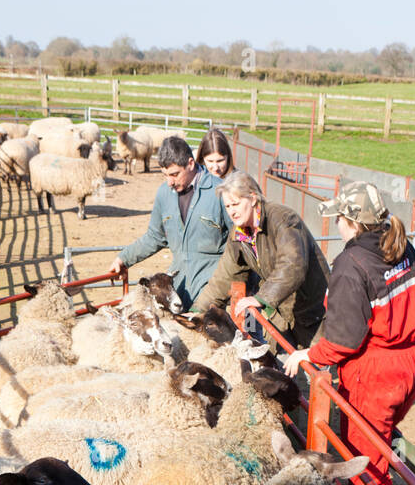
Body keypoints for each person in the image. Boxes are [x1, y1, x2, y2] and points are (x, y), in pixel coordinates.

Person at [283, 181, 415, 485]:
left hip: (374, 371)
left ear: (352, 222)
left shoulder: (351, 264)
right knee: (379, 440)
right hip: (408, 362)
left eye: (339, 217)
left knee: (364, 465)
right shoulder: (401, 246)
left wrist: (308, 354)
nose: (336, 224)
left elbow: (344, 340)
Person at [193, 172, 329, 348]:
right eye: (227, 206)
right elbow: (224, 276)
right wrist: (197, 312)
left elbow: (292, 264)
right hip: (282, 314)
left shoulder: (283, 220)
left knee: (319, 368)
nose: (232, 211)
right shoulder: (239, 234)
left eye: (236, 204)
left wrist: (262, 298)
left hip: (313, 311)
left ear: (253, 198)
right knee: (284, 368)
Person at [105, 136, 231, 309]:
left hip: (214, 289)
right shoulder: (164, 193)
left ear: (191, 164)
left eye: (174, 174)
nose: (170, 182)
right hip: (180, 287)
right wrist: (124, 258)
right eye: (165, 175)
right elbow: (154, 236)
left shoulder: (220, 192)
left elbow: (240, 242)